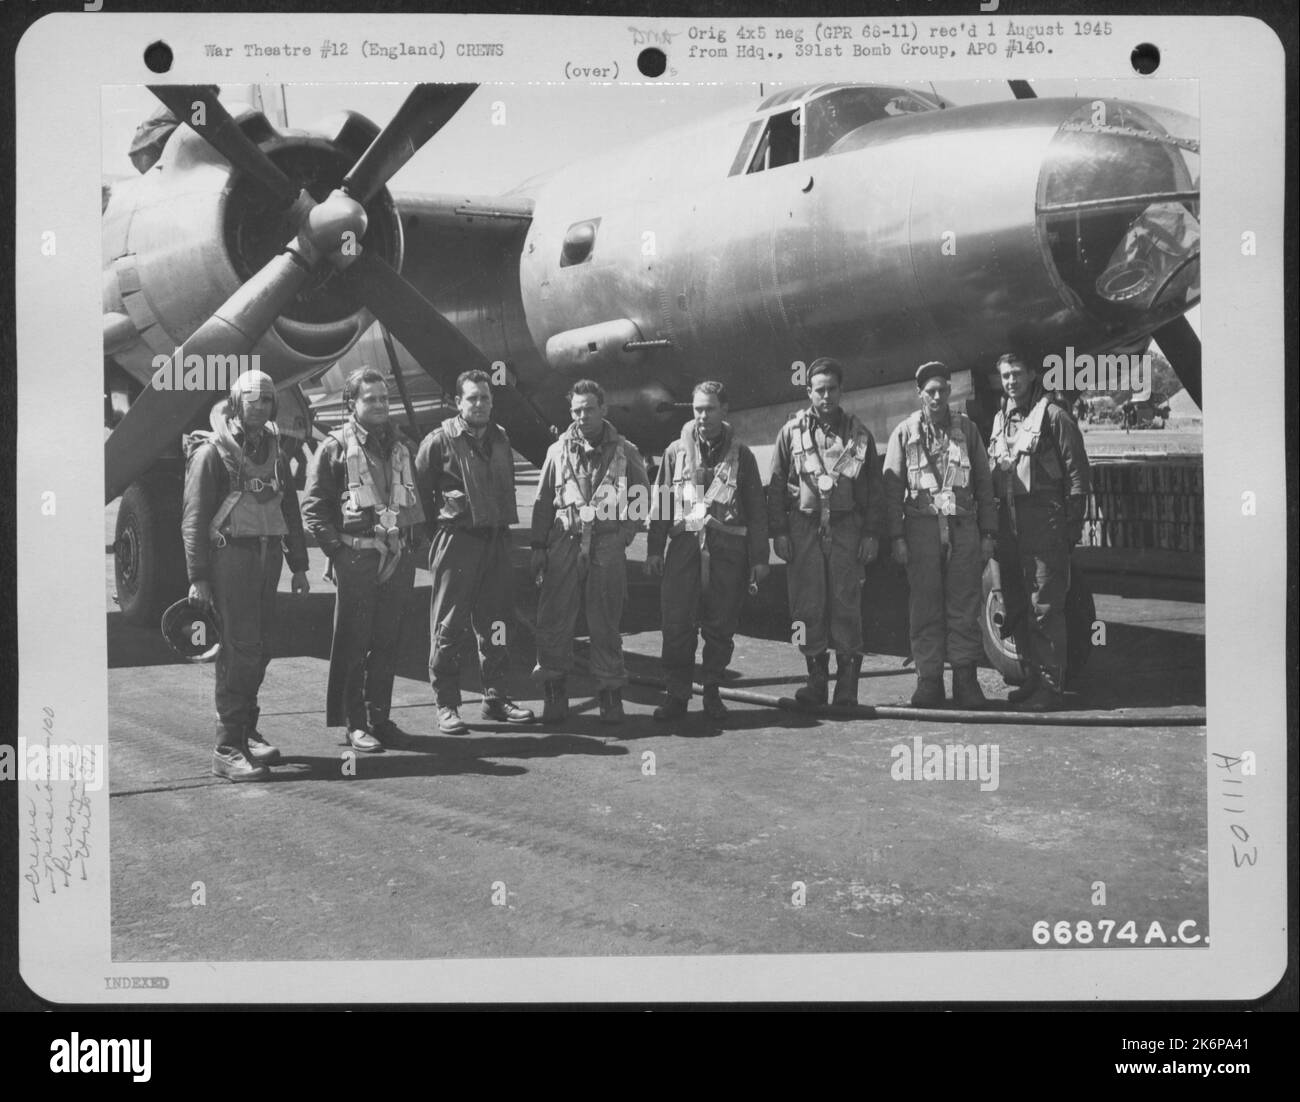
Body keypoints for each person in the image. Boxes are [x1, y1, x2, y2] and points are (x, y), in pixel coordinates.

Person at [181, 370, 310, 781]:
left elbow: (289, 509)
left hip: (268, 556)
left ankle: (246, 730)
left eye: (267, 400)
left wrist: (301, 565)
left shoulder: (272, 449)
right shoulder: (211, 453)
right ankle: (227, 747)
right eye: (252, 399)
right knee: (240, 648)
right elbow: (194, 519)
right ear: (236, 402)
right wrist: (198, 576)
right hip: (230, 558)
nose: (260, 406)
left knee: (263, 645)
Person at [302, 367, 424, 752]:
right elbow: (314, 508)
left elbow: (413, 499)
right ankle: (354, 723)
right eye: (369, 398)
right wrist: (337, 552)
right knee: (353, 641)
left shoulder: (400, 446)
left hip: (397, 555)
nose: (379, 405)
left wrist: (411, 545)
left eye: (383, 398)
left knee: (388, 640)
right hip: (357, 556)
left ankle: (379, 717)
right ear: (351, 403)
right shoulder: (335, 447)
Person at [415, 369, 535, 733]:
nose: (479, 404)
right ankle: (446, 705)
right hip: (458, 544)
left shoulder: (500, 438)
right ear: (458, 403)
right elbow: (419, 498)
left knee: (497, 624)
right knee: (449, 627)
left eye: (485, 398)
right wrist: (437, 541)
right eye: (472, 398)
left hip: (497, 542)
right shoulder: (438, 441)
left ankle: (496, 696)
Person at [645, 382, 770, 721]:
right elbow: (662, 504)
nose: (702, 416)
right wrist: (655, 550)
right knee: (676, 625)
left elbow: (756, 509)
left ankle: (712, 691)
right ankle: (677, 695)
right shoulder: (675, 452)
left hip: (728, 550)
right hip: (684, 548)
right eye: (698, 409)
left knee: (721, 626)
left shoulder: (742, 455)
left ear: (724, 410)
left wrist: (760, 558)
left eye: (710, 409)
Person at [767, 357, 885, 706]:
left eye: (832, 389)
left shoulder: (859, 434)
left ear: (841, 390)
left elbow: (874, 489)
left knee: (847, 604)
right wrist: (780, 532)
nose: (827, 396)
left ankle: (847, 686)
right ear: (809, 392)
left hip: (847, 527)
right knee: (805, 606)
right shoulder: (790, 432)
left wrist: (870, 534)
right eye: (820, 390)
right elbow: (776, 485)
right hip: (803, 527)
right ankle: (814, 679)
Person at [531, 380, 649, 724]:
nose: (582, 416)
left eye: (589, 409)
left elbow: (642, 499)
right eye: (576, 410)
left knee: (606, 622)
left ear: (603, 410)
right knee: (554, 620)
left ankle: (610, 695)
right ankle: (554, 692)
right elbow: (541, 502)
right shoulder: (557, 451)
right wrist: (539, 546)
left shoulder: (626, 452)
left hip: (607, 544)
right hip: (563, 542)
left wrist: (624, 535)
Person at [883, 362, 998, 708]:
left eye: (942, 390)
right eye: (929, 391)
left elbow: (983, 481)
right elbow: (892, 491)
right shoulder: (904, 433)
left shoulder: (968, 430)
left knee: (965, 605)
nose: (936, 397)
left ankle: (966, 680)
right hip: (921, 531)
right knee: (925, 607)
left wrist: (988, 533)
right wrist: (897, 538)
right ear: (919, 394)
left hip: (963, 528)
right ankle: (929, 680)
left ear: (950, 391)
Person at [988, 351, 1091, 711]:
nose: (1011, 381)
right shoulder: (1001, 420)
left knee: (1045, 607)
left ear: (1033, 374)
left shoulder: (1053, 416)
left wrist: (1072, 529)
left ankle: (1051, 686)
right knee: (1018, 605)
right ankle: (1032, 679)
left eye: (1017, 373)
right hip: (1011, 528)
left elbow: (1077, 475)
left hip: (1045, 526)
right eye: (1005, 375)